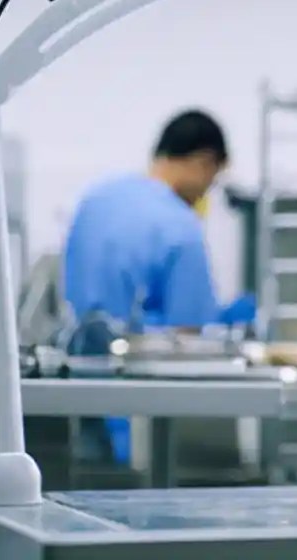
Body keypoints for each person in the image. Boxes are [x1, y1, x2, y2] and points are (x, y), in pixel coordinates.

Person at [63, 109, 255, 462]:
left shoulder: (97, 199)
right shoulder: (179, 226)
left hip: (75, 391)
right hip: (135, 408)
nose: (207, 191)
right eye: (212, 179)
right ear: (204, 162)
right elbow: (187, 332)